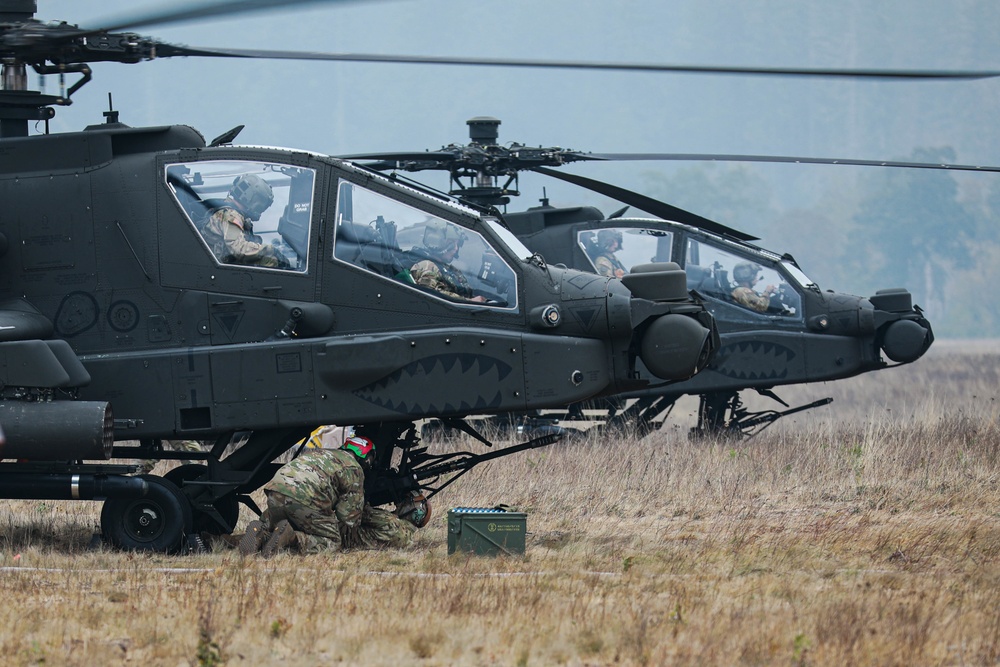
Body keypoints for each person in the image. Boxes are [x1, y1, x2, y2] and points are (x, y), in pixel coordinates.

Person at [239, 435, 430, 557]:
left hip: (276, 491)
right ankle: (292, 538)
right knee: (332, 542)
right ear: (367, 457)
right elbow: (348, 520)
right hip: (305, 498)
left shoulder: (322, 453)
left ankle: (261, 530)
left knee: (280, 522)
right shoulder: (354, 469)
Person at [201, 173, 289, 268]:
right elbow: (239, 250)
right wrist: (270, 250)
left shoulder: (237, 215)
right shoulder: (231, 216)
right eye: (261, 206)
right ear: (252, 200)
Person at [409, 220, 487, 302]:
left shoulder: (447, 268)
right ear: (437, 243)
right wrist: (470, 302)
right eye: (451, 244)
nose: (456, 248)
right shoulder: (427, 265)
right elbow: (432, 296)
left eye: (458, 244)